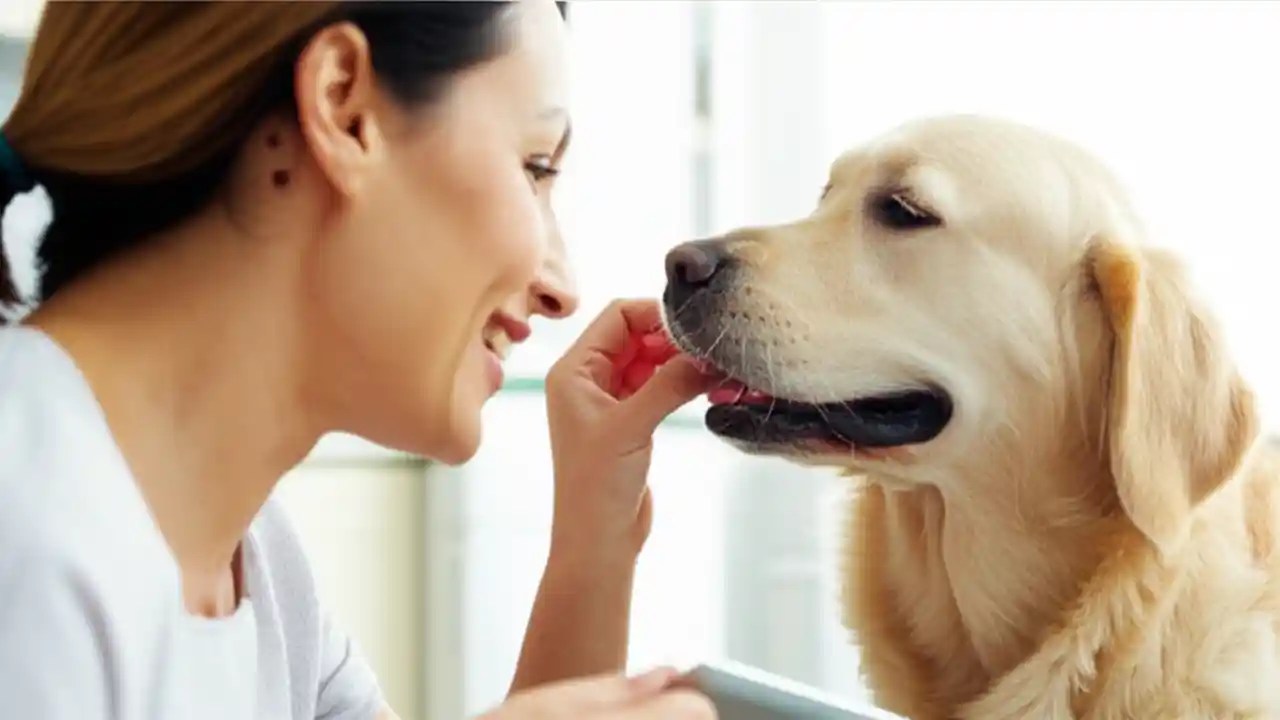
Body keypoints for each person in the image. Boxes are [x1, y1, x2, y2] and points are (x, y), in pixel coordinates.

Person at [0, 2, 717, 719]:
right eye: (533, 166)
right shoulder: (27, 530)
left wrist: (594, 536)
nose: (561, 288)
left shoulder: (262, 569)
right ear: (344, 106)